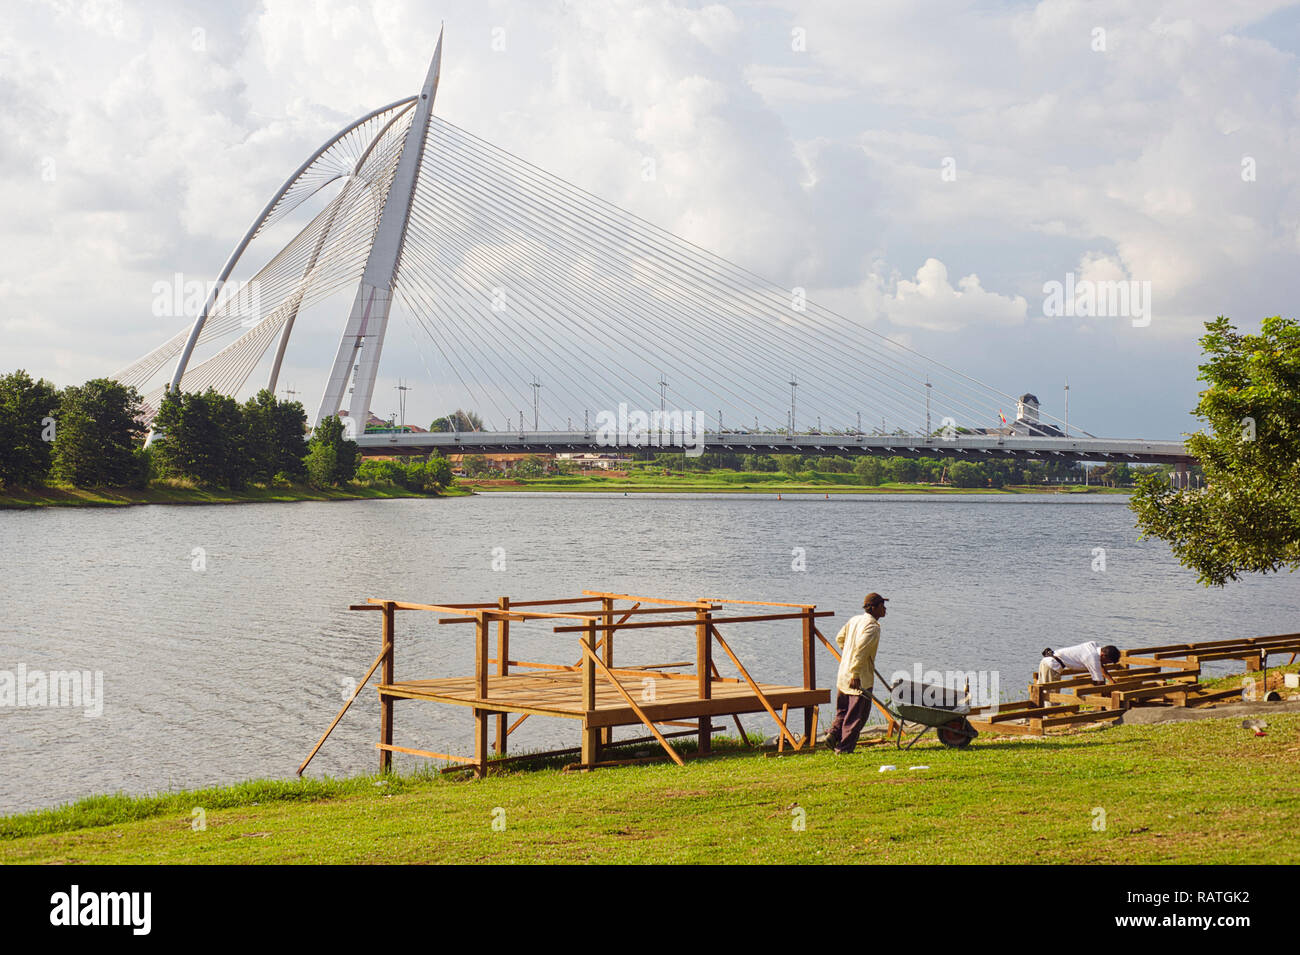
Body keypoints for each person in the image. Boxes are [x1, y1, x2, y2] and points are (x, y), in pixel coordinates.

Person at [824, 592, 887, 754]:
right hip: (858, 678)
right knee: (857, 716)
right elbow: (860, 651)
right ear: (873, 608)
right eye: (882, 606)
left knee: (843, 710)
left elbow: (840, 638)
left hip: (844, 673)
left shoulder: (855, 620)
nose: (885, 609)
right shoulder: (872, 627)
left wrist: (848, 655)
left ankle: (832, 734)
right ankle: (844, 749)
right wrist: (856, 673)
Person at [1038, 641, 1120, 686]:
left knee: (1041, 688)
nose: (1106, 664)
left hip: (1048, 661)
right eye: (1107, 662)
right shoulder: (1092, 658)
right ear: (1103, 655)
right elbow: (1099, 681)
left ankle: (1040, 714)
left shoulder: (1094, 645)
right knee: (1050, 693)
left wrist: (1111, 680)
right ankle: (1048, 716)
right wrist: (1109, 693)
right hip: (1052, 665)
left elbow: (1101, 667)